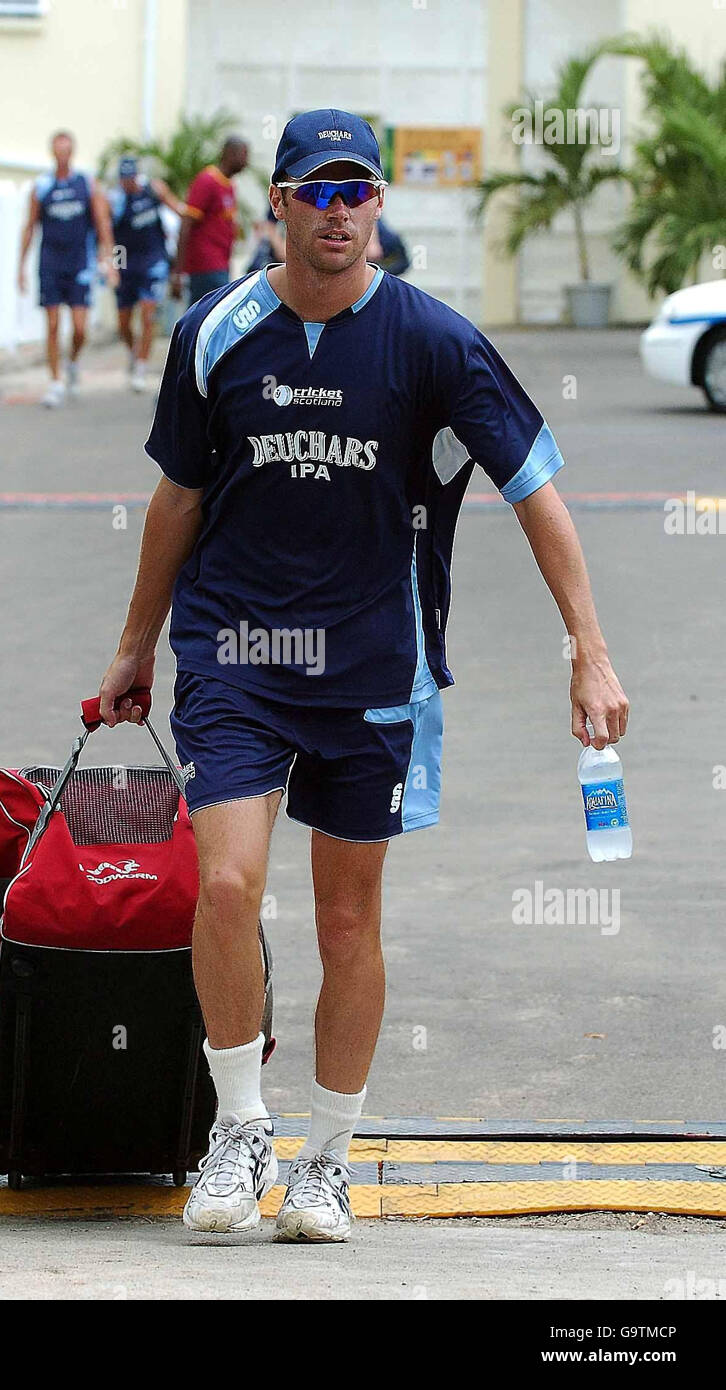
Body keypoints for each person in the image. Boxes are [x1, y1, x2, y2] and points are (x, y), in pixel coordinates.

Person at [98, 109, 629, 1242]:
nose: (339, 212)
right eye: (317, 191)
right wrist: (136, 644)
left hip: (376, 668)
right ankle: (238, 1127)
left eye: (359, 191)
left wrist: (587, 645)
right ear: (277, 204)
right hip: (237, 657)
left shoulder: (434, 342)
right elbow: (177, 500)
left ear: (378, 205)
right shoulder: (216, 332)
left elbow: (533, 488)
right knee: (228, 885)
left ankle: (328, 1157)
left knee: (347, 918)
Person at [18, 131, 116, 408]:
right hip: (50, 262)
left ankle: (72, 361)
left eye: (66, 150)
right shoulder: (43, 186)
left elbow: (102, 224)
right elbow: (29, 226)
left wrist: (109, 261)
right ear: (52, 152)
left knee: (80, 328)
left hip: (79, 264)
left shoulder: (85, 183)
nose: (62, 154)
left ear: (72, 152)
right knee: (51, 324)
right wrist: (21, 267)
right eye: (57, 150)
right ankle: (55, 381)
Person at [108, 155, 185, 391]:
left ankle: (141, 366)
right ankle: (133, 352)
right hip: (126, 262)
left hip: (153, 260)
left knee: (148, 313)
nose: (128, 183)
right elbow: (107, 234)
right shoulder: (117, 201)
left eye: (131, 178)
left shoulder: (153, 191)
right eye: (124, 179)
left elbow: (179, 210)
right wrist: (111, 265)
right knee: (123, 322)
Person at [170, 137, 249, 305]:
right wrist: (178, 272)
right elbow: (186, 225)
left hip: (221, 264)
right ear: (229, 154)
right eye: (243, 155)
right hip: (206, 266)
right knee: (207, 317)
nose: (246, 162)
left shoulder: (229, 185)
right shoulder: (207, 181)